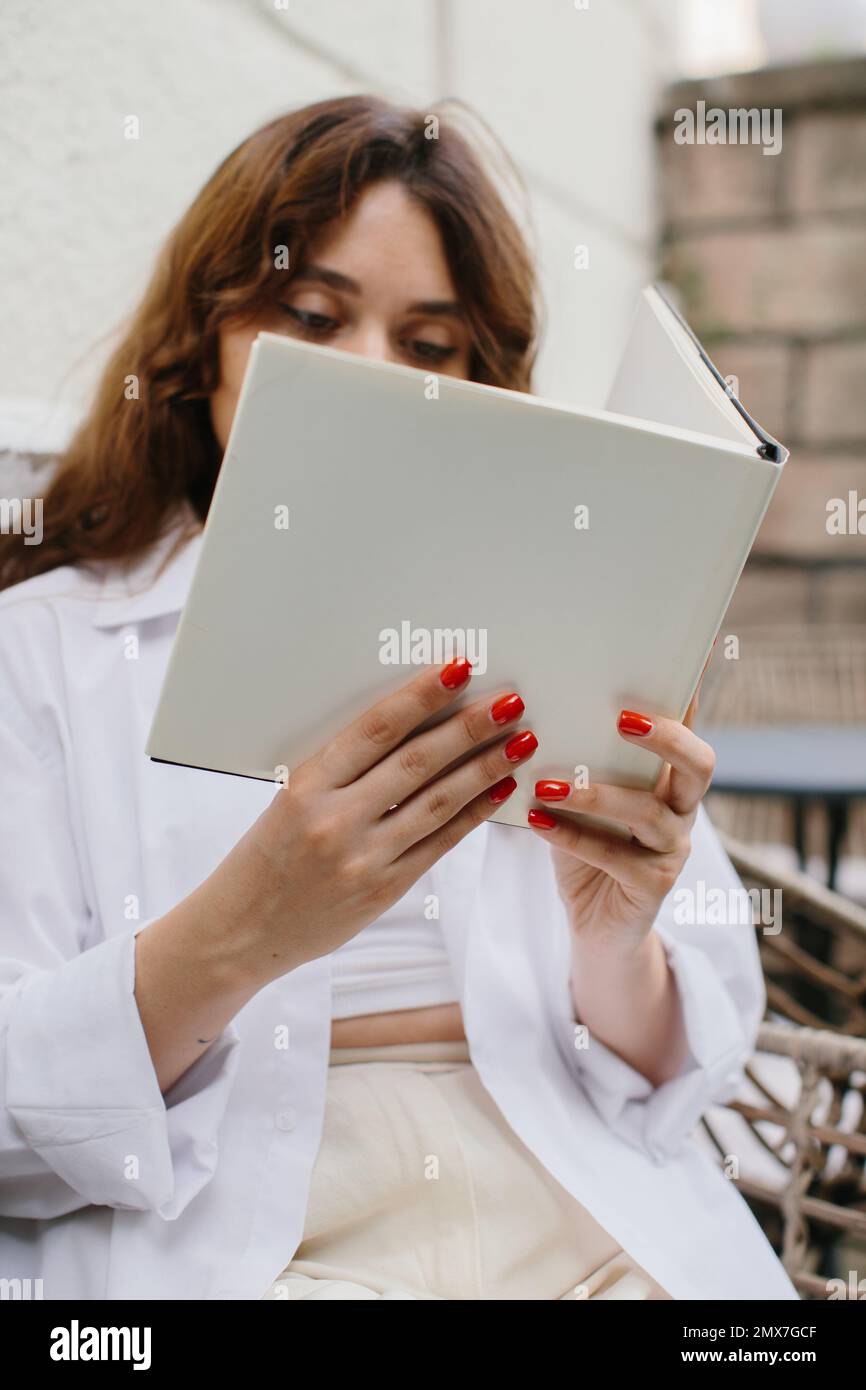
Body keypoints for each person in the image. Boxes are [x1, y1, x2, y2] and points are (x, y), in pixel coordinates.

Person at [0, 95, 797, 1301]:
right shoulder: (46, 649)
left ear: (478, 381)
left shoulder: (565, 614)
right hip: (247, 1227)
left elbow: (689, 1068)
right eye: (311, 318)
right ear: (203, 342)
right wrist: (246, 924)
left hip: (570, 1189)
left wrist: (611, 940)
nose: (370, 374)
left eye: (428, 348)